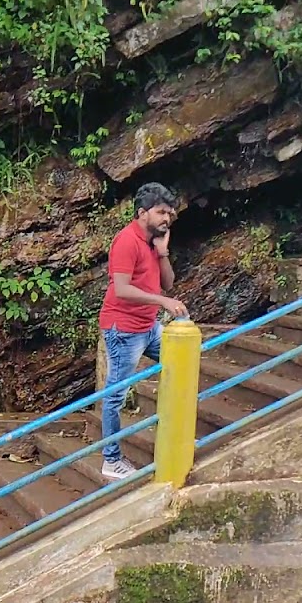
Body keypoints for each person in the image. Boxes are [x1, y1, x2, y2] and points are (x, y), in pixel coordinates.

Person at [97, 182, 189, 480]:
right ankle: (111, 459)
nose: (167, 218)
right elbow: (121, 289)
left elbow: (169, 284)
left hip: (149, 326)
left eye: (170, 213)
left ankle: (176, 436)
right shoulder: (126, 241)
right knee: (115, 394)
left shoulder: (153, 243)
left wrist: (163, 253)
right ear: (142, 213)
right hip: (123, 329)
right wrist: (163, 302)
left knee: (181, 367)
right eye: (161, 212)